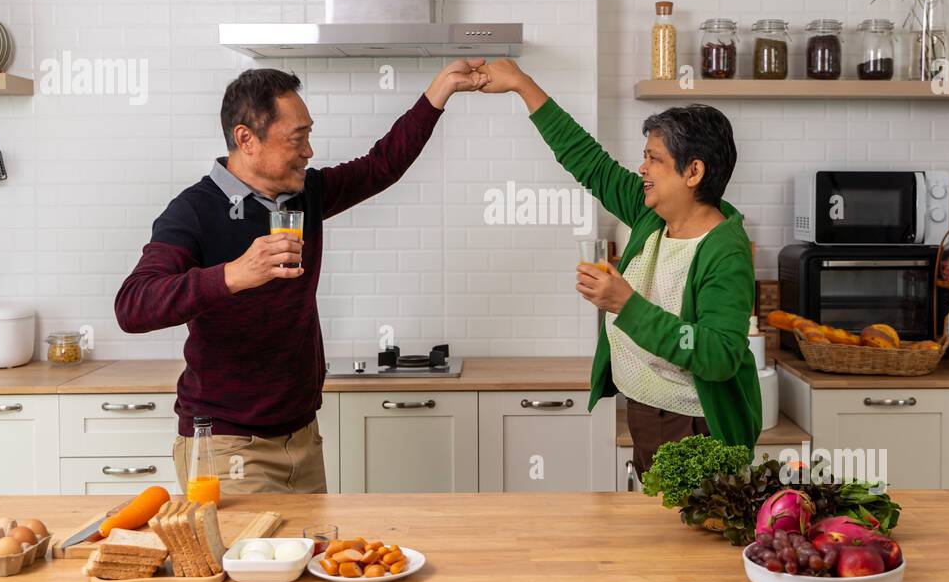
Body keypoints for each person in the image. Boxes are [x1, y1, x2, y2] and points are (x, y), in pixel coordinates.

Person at [114, 61, 486, 494]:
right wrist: (233, 274)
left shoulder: (304, 196)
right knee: (249, 562)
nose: (309, 151)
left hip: (303, 437)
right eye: (298, 138)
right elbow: (133, 305)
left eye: (308, 135)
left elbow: (382, 165)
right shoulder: (194, 211)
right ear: (245, 139)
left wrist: (439, 91)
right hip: (230, 444)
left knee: (311, 559)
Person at [477, 58, 759, 478]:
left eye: (653, 159)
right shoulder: (653, 216)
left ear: (693, 172)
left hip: (696, 426)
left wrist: (626, 305)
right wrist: (522, 85)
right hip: (649, 413)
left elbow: (718, 355)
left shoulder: (725, 252)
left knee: (688, 541)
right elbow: (587, 161)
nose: (642, 169)